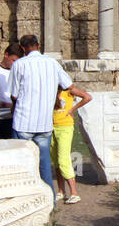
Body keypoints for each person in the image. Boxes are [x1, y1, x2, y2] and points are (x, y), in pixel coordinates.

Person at [7, 34, 73, 193]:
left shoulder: (19, 64)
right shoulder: (52, 63)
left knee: (23, 165)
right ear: (39, 44)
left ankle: (26, 198)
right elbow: (67, 85)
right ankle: (50, 201)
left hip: (23, 121)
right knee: (44, 166)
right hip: (44, 122)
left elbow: (14, 94)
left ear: (23, 48)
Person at [51, 83, 92, 204]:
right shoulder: (49, 90)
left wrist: (72, 109)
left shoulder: (69, 90)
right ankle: (61, 190)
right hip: (51, 126)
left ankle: (74, 192)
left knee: (64, 159)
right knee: (55, 160)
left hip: (65, 126)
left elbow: (87, 97)